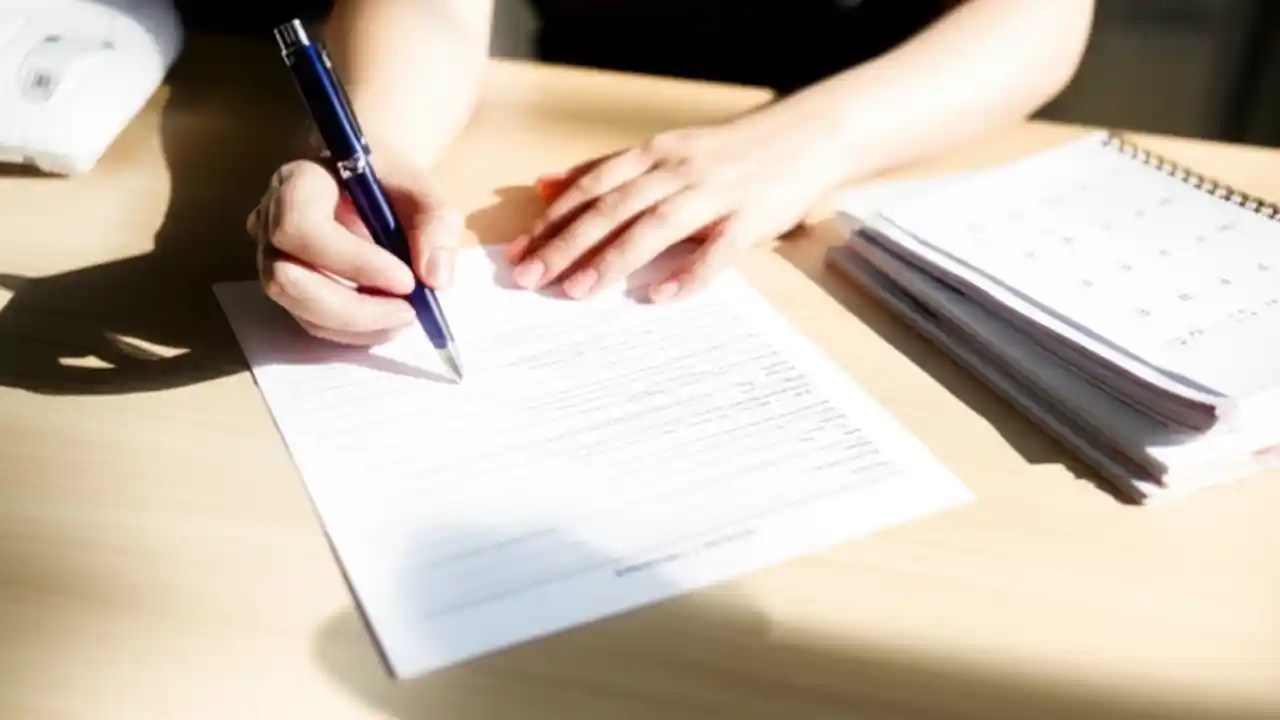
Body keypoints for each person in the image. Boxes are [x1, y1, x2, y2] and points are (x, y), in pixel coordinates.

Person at [242, 0, 1095, 346]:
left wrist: (807, 143)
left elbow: (1039, 19)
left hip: (901, 122)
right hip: (602, 107)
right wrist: (378, 139)